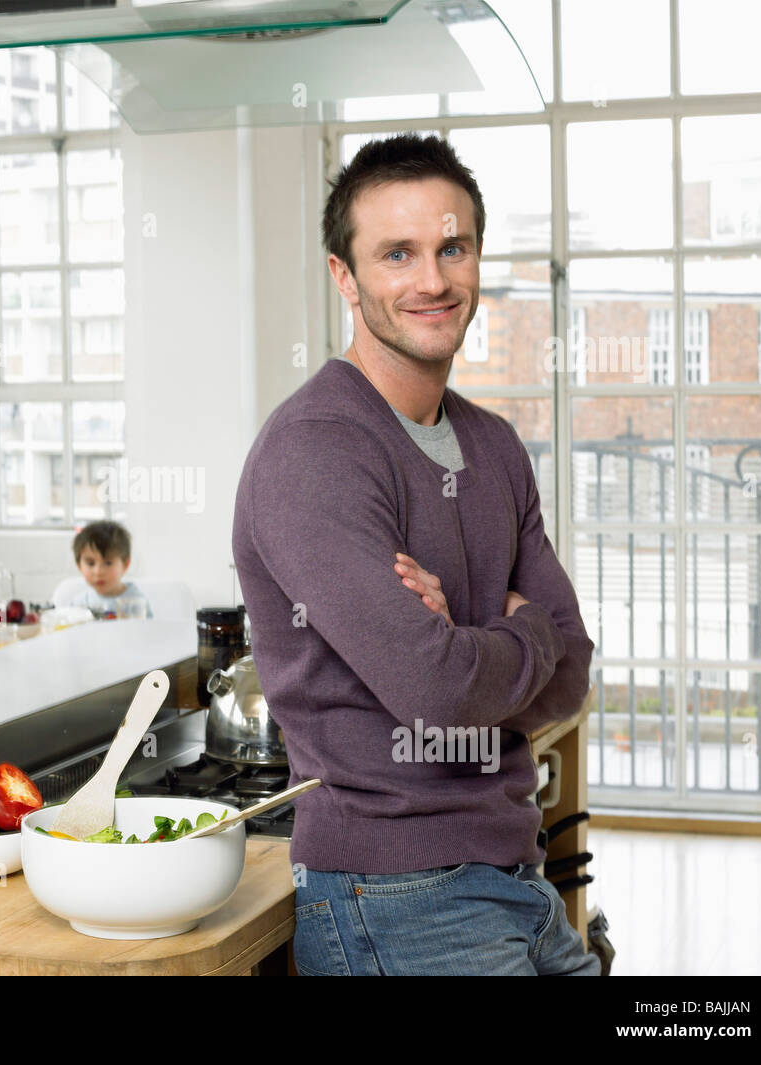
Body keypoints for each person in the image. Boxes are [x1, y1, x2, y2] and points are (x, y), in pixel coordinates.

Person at [232, 134, 599, 976]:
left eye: (451, 248)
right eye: (397, 253)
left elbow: (573, 669)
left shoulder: (494, 445)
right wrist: (516, 630)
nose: (431, 280)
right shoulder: (314, 451)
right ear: (345, 278)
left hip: (519, 876)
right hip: (393, 896)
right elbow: (434, 690)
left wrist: (468, 639)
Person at [57, 520, 153, 619]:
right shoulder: (79, 604)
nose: (98, 572)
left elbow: (147, 632)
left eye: (108, 563)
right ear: (79, 566)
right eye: (91, 563)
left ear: (125, 564)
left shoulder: (136, 602)